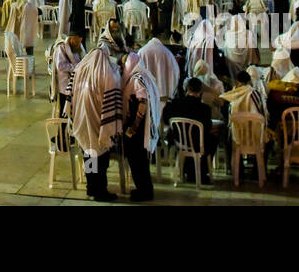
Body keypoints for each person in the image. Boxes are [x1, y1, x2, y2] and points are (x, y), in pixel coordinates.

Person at [71, 28, 125, 202]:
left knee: (89, 153)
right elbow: (110, 99)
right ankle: (100, 190)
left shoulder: (83, 69)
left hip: (83, 119)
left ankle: (91, 187)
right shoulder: (106, 74)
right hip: (96, 122)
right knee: (100, 158)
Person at [121, 43, 160, 202]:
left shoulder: (136, 80)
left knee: (136, 159)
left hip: (137, 128)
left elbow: (142, 103)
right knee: (140, 160)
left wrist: (134, 126)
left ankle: (143, 192)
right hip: (142, 126)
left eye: (125, 64)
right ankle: (144, 189)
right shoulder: (145, 76)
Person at [163, 77, 214, 183]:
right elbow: (207, 128)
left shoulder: (175, 104)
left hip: (179, 142)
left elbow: (166, 120)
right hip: (197, 143)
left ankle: (187, 169)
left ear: (186, 89)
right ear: (200, 91)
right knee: (213, 139)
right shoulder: (205, 109)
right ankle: (200, 172)